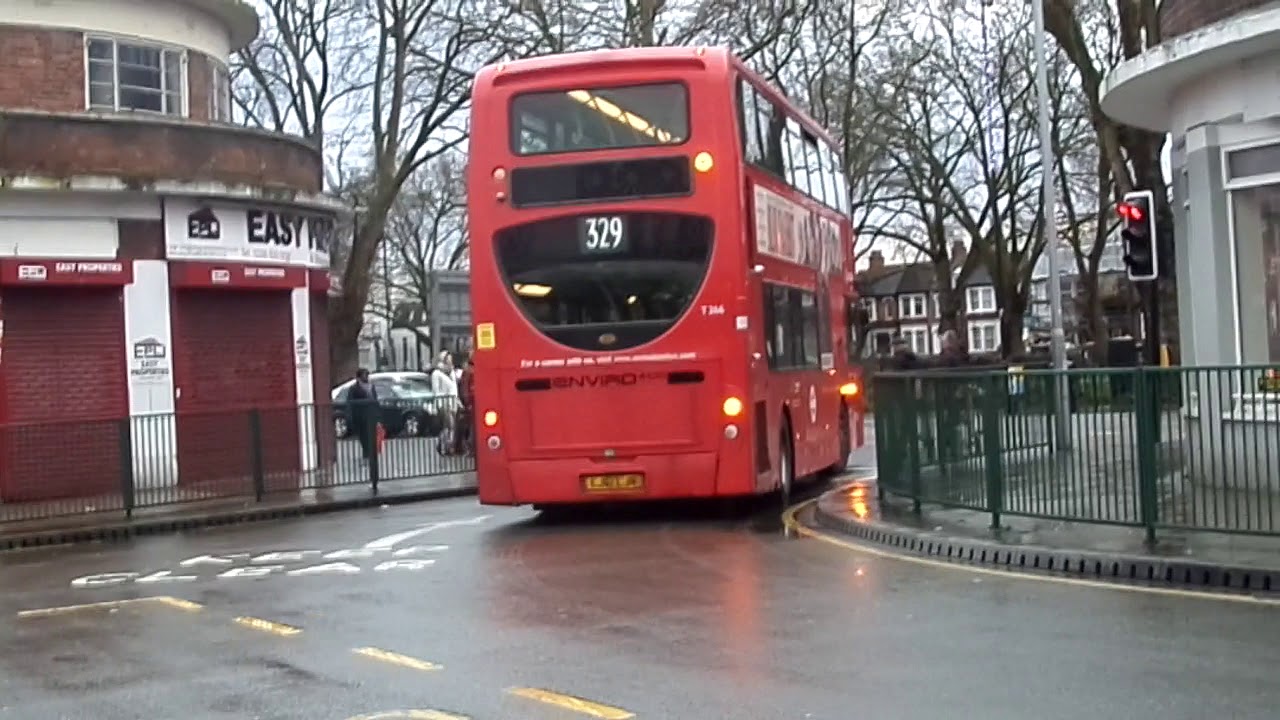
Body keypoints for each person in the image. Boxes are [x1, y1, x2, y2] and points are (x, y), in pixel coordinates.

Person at [347, 368, 379, 460]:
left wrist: (377, 413)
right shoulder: (354, 388)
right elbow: (350, 401)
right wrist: (350, 415)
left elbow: (375, 399)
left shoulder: (371, 386)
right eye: (364, 375)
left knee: (371, 435)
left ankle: (371, 453)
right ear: (359, 377)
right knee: (363, 435)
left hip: (371, 414)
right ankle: (366, 453)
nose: (366, 377)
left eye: (367, 375)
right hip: (359, 415)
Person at [431, 352, 459, 455]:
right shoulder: (437, 373)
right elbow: (436, 390)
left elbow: (454, 388)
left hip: (453, 402)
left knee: (449, 426)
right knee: (449, 425)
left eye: (451, 359)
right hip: (444, 402)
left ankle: (443, 444)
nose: (450, 361)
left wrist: (457, 400)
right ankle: (447, 446)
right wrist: (438, 404)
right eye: (448, 359)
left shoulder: (452, 372)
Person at [454, 357, 475, 456]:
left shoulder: (469, 370)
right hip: (471, 401)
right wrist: (467, 402)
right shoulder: (469, 371)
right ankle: (469, 448)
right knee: (471, 427)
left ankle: (462, 447)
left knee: (469, 426)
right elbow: (465, 387)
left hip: (471, 401)